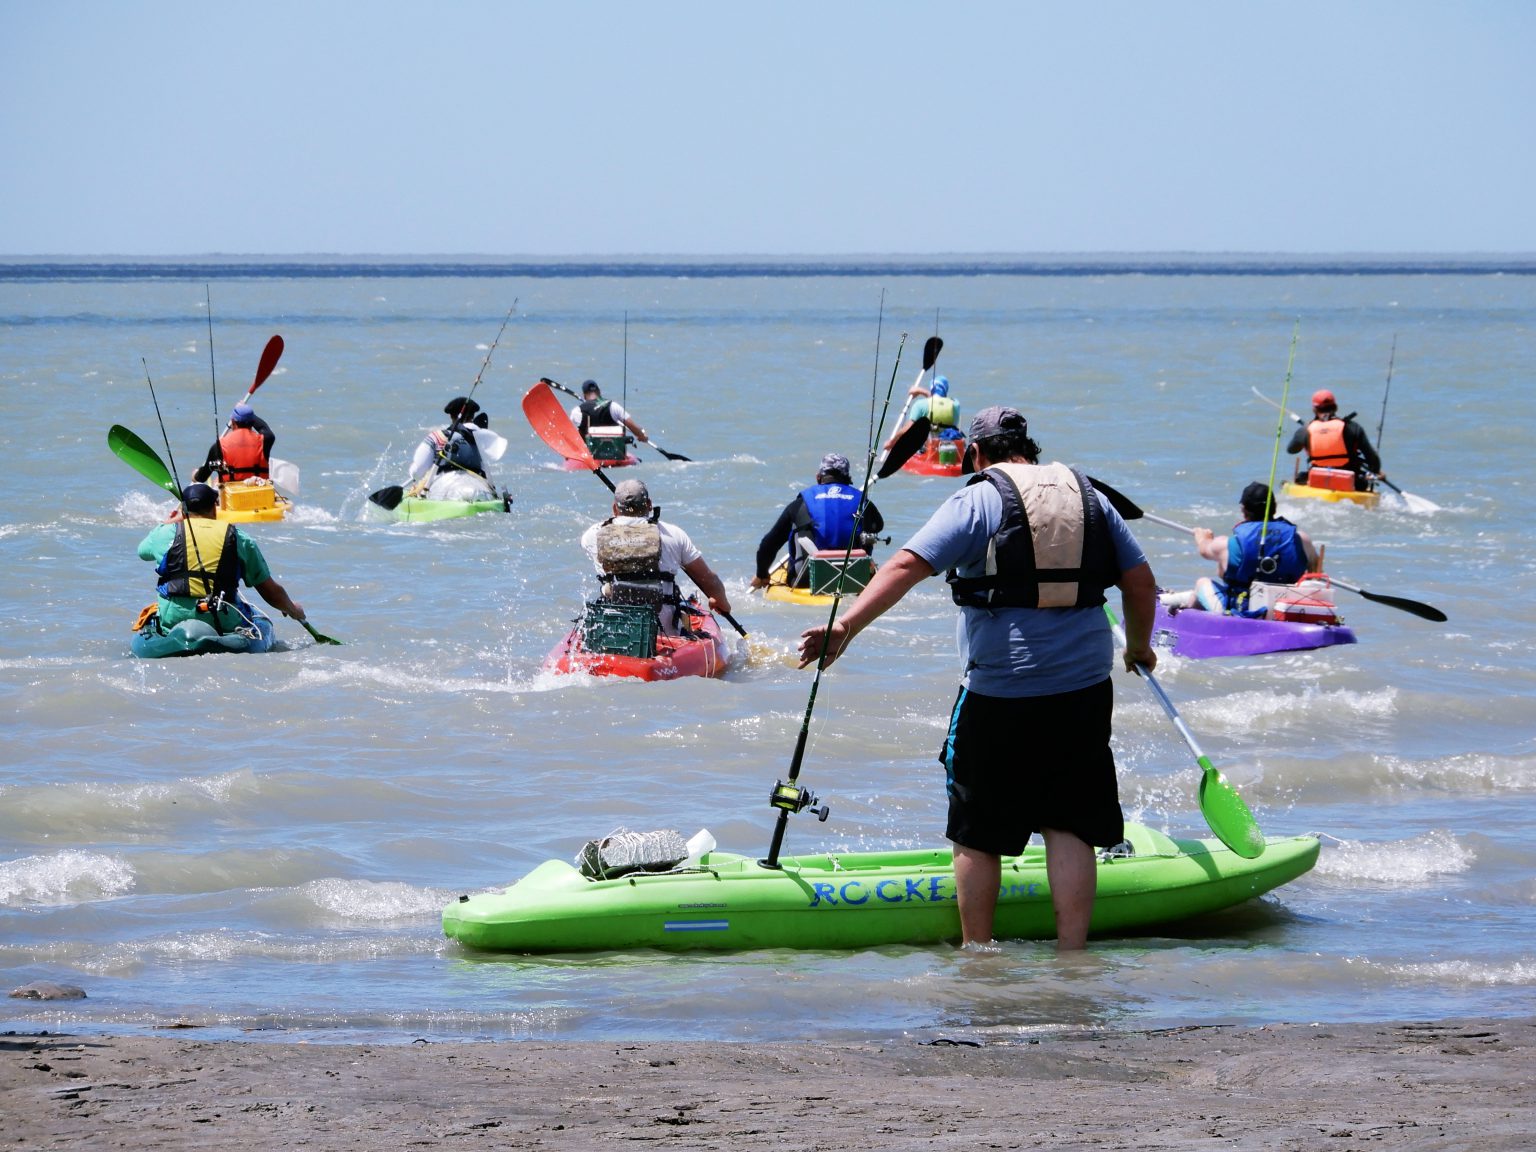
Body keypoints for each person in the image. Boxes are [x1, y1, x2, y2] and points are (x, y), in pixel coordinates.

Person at [795, 407, 1157, 952]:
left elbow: (904, 567)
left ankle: (978, 954)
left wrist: (844, 625)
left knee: (977, 831)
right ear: (1029, 448)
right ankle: (1073, 954)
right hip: (1084, 689)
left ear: (975, 453)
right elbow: (1140, 581)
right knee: (1070, 825)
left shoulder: (979, 498)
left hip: (1000, 691)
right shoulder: (1090, 497)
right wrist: (1138, 646)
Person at [137, 482, 307, 637]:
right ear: (214, 508)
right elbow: (269, 591)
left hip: (173, 619)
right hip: (223, 621)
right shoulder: (240, 538)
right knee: (249, 614)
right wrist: (292, 609)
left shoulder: (163, 533)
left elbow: (142, 551)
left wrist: (171, 521)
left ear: (184, 510)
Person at [579, 478, 732, 635]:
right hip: (665, 634)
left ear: (614, 509)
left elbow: (612, 528)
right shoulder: (674, 534)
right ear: (650, 505)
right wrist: (722, 602)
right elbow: (709, 580)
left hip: (614, 632)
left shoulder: (593, 535)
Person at [1160, 482, 1320, 617]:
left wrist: (1202, 536)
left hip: (1242, 611)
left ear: (1244, 510)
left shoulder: (1228, 544)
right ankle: (1174, 599)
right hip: (1285, 608)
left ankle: (1185, 618)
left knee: (1202, 583)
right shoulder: (1301, 539)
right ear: (1274, 508)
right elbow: (1314, 572)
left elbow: (1204, 550)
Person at [750, 453, 886, 589]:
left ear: (818, 477)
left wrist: (762, 575)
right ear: (848, 478)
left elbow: (767, 546)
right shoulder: (862, 501)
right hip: (854, 579)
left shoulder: (800, 503)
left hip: (806, 581)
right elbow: (878, 526)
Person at [1287, 389, 1384, 491]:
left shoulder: (1305, 430)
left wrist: (1307, 436)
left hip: (1317, 479)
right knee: (1363, 480)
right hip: (1351, 482)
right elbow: (1372, 459)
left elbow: (1291, 450)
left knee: (1300, 477)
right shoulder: (1353, 428)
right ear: (1336, 407)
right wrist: (1375, 472)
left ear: (1314, 410)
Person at [409, 397, 499, 502]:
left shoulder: (437, 436)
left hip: (445, 487)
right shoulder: (483, 439)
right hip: (480, 488)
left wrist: (417, 481)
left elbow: (417, 471)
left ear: (451, 416)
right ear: (473, 416)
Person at [192, 403, 274, 484]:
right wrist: (250, 415)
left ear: (233, 422)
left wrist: (195, 475)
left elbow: (203, 476)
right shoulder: (265, 441)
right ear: (252, 422)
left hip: (233, 496)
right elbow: (264, 429)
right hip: (260, 493)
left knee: (215, 480)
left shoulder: (219, 446)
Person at [568, 380, 652, 458]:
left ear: (584, 395)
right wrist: (641, 435)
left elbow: (571, 437)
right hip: (616, 453)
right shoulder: (613, 406)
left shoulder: (577, 411)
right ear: (599, 392)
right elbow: (631, 425)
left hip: (591, 455)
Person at [881, 374, 964, 453]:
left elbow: (907, 429)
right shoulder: (955, 404)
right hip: (951, 449)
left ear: (931, 388)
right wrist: (923, 392)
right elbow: (938, 402)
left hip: (929, 450)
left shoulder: (921, 405)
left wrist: (891, 443)